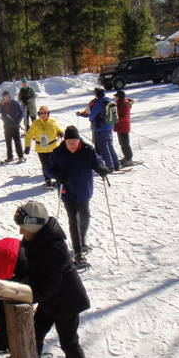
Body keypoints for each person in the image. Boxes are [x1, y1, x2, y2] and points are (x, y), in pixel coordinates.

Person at [12, 200, 96, 358]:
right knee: (34, 334)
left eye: (24, 227)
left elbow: (50, 285)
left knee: (69, 345)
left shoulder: (53, 247)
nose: (21, 232)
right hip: (50, 300)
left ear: (34, 225)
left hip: (67, 303)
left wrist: (28, 297)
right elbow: (33, 269)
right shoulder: (35, 239)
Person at [44, 126, 109, 268]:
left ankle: (81, 238)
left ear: (79, 140)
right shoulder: (58, 153)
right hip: (68, 192)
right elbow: (47, 169)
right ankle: (78, 251)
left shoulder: (88, 150)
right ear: (65, 141)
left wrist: (101, 168)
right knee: (73, 219)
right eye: (69, 141)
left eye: (74, 141)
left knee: (85, 217)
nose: (72, 144)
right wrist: (56, 175)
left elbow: (97, 161)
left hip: (84, 191)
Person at [78, 87, 120, 172]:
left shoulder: (97, 103)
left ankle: (109, 166)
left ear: (96, 94)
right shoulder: (109, 101)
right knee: (110, 146)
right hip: (109, 127)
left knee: (104, 148)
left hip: (100, 129)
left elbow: (91, 115)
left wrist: (82, 114)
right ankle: (116, 164)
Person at [24, 105, 64, 189]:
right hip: (41, 148)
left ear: (48, 113)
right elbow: (28, 135)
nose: (43, 115)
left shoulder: (53, 122)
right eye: (41, 113)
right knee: (45, 165)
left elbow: (58, 130)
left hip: (54, 147)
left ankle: (58, 180)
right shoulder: (35, 123)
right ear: (39, 114)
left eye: (45, 113)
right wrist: (27, 146)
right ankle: (48, 181)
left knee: (56, 164)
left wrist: (61, 133)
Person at [0, 90, 25, 163]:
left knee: (17, 141)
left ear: (9, 96)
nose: (4, 98)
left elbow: (21, 112)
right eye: (3, 96)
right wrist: (1, 105)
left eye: (6, 96)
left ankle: (21, 156)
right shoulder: (1, 104)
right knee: (8, 142)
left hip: (15, 125)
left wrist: (18, 121)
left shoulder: (15, 103)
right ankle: (10, 157)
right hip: (7, 125)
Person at [114, 90, 135, 167]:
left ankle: (129, 159)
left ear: (119, 97)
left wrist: (115, 119)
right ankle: (126, 157)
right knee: (122, 143)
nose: (115, 98)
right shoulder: (120, 103)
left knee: (125, 143)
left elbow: (125, 117)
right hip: (120, 126)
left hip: (123, 126)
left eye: (116, 96)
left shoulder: (123, 104)